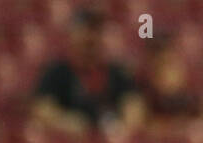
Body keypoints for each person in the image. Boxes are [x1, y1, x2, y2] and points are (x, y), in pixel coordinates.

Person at [31, 6, 145, 134]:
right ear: (72, 35)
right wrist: (64, 121)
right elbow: (42, 109)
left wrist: (123, 126)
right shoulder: (57, 72)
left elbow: (134, 106)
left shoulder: (117, 72)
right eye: (85, 30)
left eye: (96, 30)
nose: (91, 37)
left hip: (110, 140)